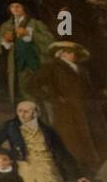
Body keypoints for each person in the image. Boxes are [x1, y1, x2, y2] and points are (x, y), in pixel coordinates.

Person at [27, 41, 97, 170]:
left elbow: (88, 89)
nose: (73, 55)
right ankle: (68, 168)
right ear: (60, 54)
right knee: (67, 139)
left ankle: (85, 168)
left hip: (82, 109)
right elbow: (32, 86)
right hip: (64, 110)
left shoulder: (81, 69)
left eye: (75, 53)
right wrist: (53, 98)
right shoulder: (51, 67)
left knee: (84, 139)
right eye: (69, 52)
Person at [0, 0, 53, 103]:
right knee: (23, 91)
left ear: (24, 8)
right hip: (17, 64)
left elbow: (49, 40)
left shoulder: (36, 23)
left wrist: (30, 34)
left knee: (41, 91)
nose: (15, 9)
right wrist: (5, 40)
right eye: (12, 7)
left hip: (36, 62)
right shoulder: (6, 25)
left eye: (18, 6)